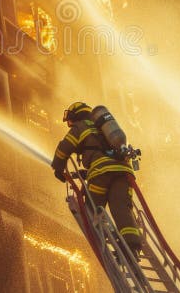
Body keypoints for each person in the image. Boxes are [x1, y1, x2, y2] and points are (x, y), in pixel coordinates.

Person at [51, 101, 142, 254]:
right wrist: (86, 172)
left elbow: (64, 148)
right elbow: (105, 153)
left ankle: (104, 236)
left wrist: (58, 169)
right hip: (123, 171)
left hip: (101, 174)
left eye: (71, 120)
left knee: (92, 207)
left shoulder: (81, 127)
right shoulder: (105, 129)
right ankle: (131, 247)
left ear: (77, 116)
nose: (71, 124)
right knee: (121, 207)